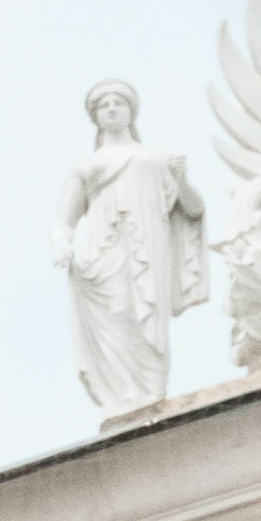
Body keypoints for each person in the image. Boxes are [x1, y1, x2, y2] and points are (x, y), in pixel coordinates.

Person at [56, 80, 205, 425]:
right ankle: (122, 393)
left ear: (131, 111)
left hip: (148, 245)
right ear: (95, 117)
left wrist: (181, 180)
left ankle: (149, 390)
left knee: (146, 313)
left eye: (118, 102)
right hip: (103, 250)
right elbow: (64, 220)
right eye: (103, 104)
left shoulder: (157, 160)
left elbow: (193, 210)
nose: (111, 108)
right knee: (116, 312)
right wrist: (61, 242)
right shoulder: (86, 168)